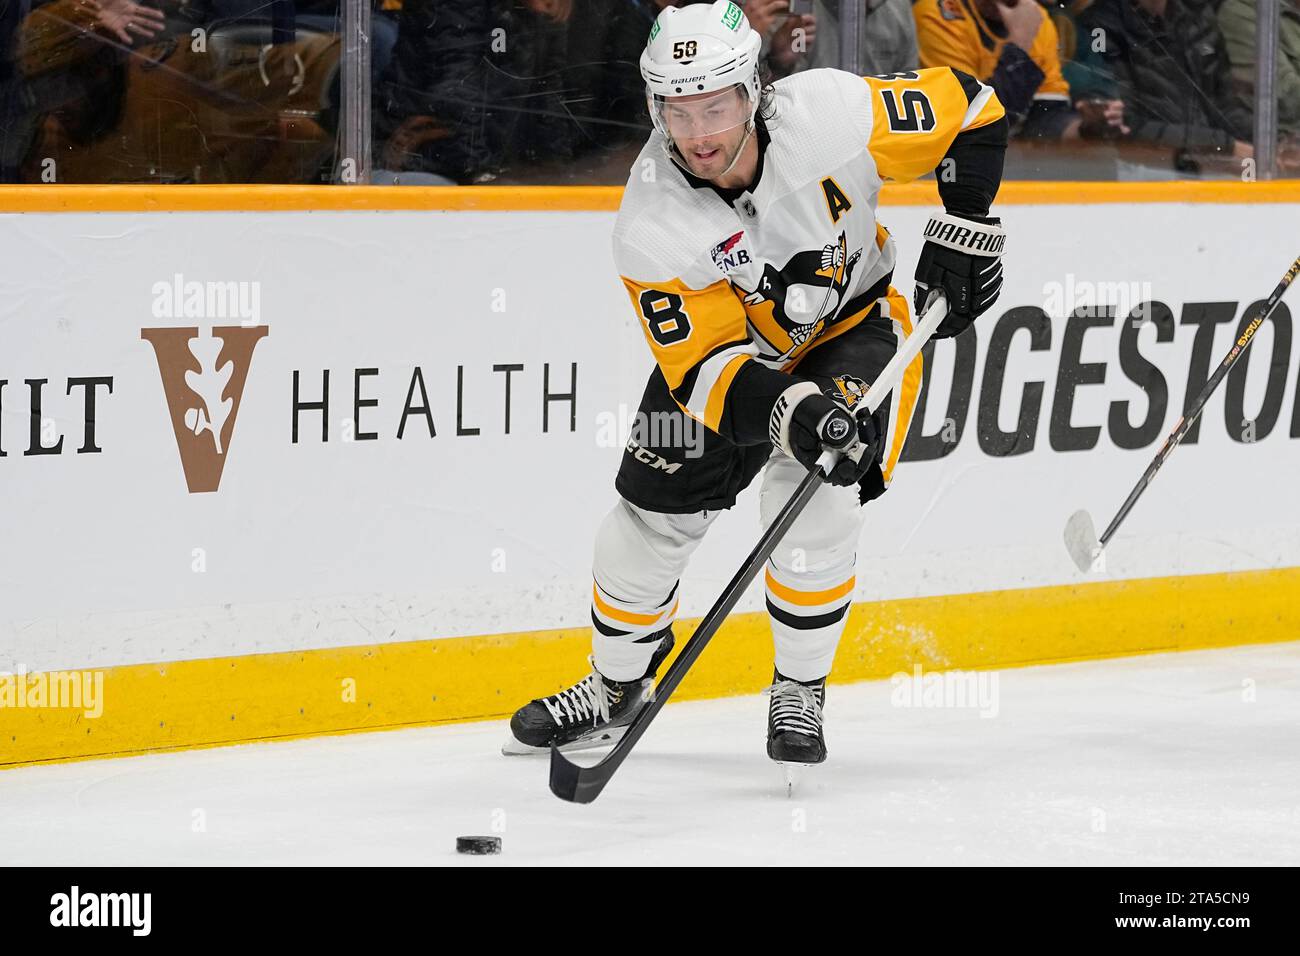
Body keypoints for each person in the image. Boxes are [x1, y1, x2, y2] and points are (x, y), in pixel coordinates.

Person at [504, 0, 1007, 767]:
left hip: (854, 330)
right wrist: (789, 411)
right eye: (679, 110)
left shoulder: (833, 112)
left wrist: (967, 225)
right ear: (655, 110)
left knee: (817, 504)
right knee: (642, 529)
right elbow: (706, 376)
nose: (700, 132)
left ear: (753, 90)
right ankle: (613, 687)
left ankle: (800, 689)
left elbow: (974, 108)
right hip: (735, 368)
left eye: (716, 104)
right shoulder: (650, 224)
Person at [914, 0, 1122, 140]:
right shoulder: (939, 13)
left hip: (1016, 166)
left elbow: (1043, 117)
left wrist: (1084, 127)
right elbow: (969, 123)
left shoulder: (1036, 18)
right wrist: (1020, 45)